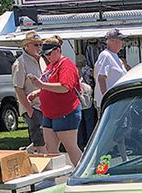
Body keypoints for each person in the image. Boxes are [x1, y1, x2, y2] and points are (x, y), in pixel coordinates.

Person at [27, 36, 82, 165]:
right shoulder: (51, 65)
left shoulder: (66, 65)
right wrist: (38, 92)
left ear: (58, 50)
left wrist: (42, 86)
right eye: (44, 55)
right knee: (50, 149)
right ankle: (51, 179)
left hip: (65, 112)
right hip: (49, 113)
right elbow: (50, 85)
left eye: (49, 53)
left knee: (71, 147)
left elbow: (64, 87)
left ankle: (85, 175)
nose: (47, 57)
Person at [12, 32, 46, 154]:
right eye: (36, 45)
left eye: (41, 44)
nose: (39, 48)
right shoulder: (20, 63)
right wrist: (29, 110)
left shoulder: (42, 60)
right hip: (33, 107)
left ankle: (26, 152)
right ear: (26, 46)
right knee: (40, 140)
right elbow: (18, 88)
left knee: (47, 137)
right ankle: (41, 162)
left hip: (45, 106)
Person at [94, 29, 127, 113]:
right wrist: (107, 99)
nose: (122, 42)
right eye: (121, 39)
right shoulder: (106, 55)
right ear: (112, 41)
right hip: (110, 104)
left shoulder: (115, 57)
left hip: (117, 102)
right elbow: (101, 78)